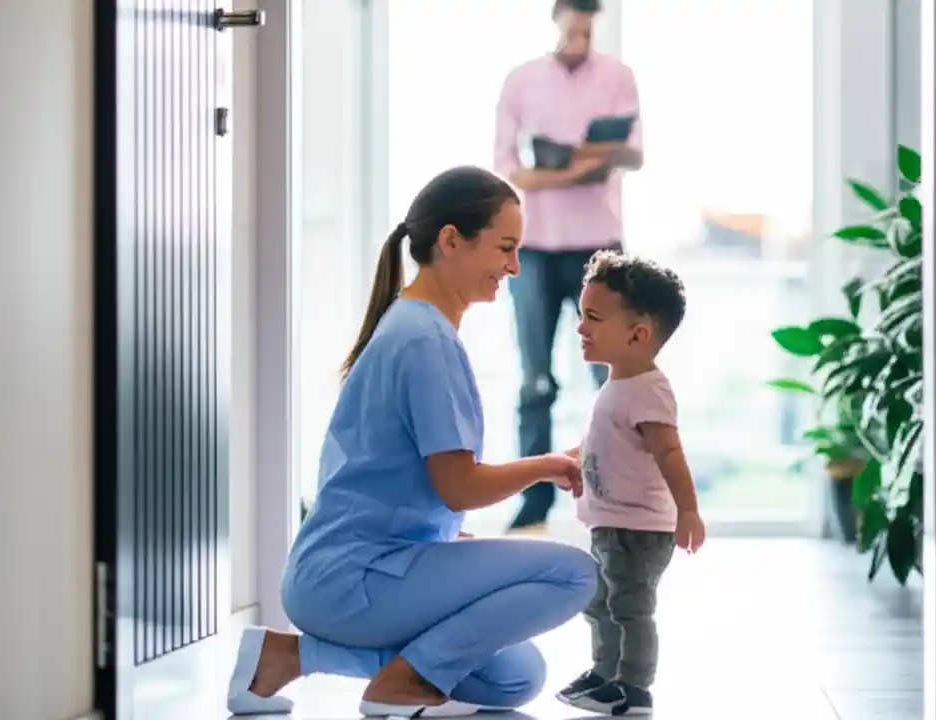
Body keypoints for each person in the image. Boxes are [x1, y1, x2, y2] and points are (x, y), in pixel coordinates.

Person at [225, 166, 598, 719]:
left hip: (356, 569)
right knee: (575, 573)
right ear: (451, 240)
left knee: (514, 677)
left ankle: (288, 656)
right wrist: (544, 466)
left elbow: (413, 486)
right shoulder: (423, 340)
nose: (515, 267)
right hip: (354, 577)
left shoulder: (413, 326)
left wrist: (447, 538)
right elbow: (459, 487)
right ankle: (399, 686)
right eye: (505, 248)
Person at [494, 0, 645, 533]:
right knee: (535, 379)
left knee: (612, 379)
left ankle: (616, 498)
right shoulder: (522, 81)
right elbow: (510, 169)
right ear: (557, 17)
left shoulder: (618, 78)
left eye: (588, 28)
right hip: (533, 247)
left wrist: (592, 159)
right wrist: (574, 172)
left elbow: (633, 155)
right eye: (572, 27)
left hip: (599, 249)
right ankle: (534, 503)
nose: (579, 37)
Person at [551, 251, 707, 716]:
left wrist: (689, 511)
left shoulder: (648, 390)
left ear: (638, 335)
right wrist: (575, 459)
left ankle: (634, 686)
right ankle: (606, 673)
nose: (581, 327)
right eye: (582, 315)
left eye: (593, 318)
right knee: (600, 603)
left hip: (638, 530)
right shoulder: (617, 385)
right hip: (611, 523)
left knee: (630, 607)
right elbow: (608, 439)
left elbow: (670, 454)